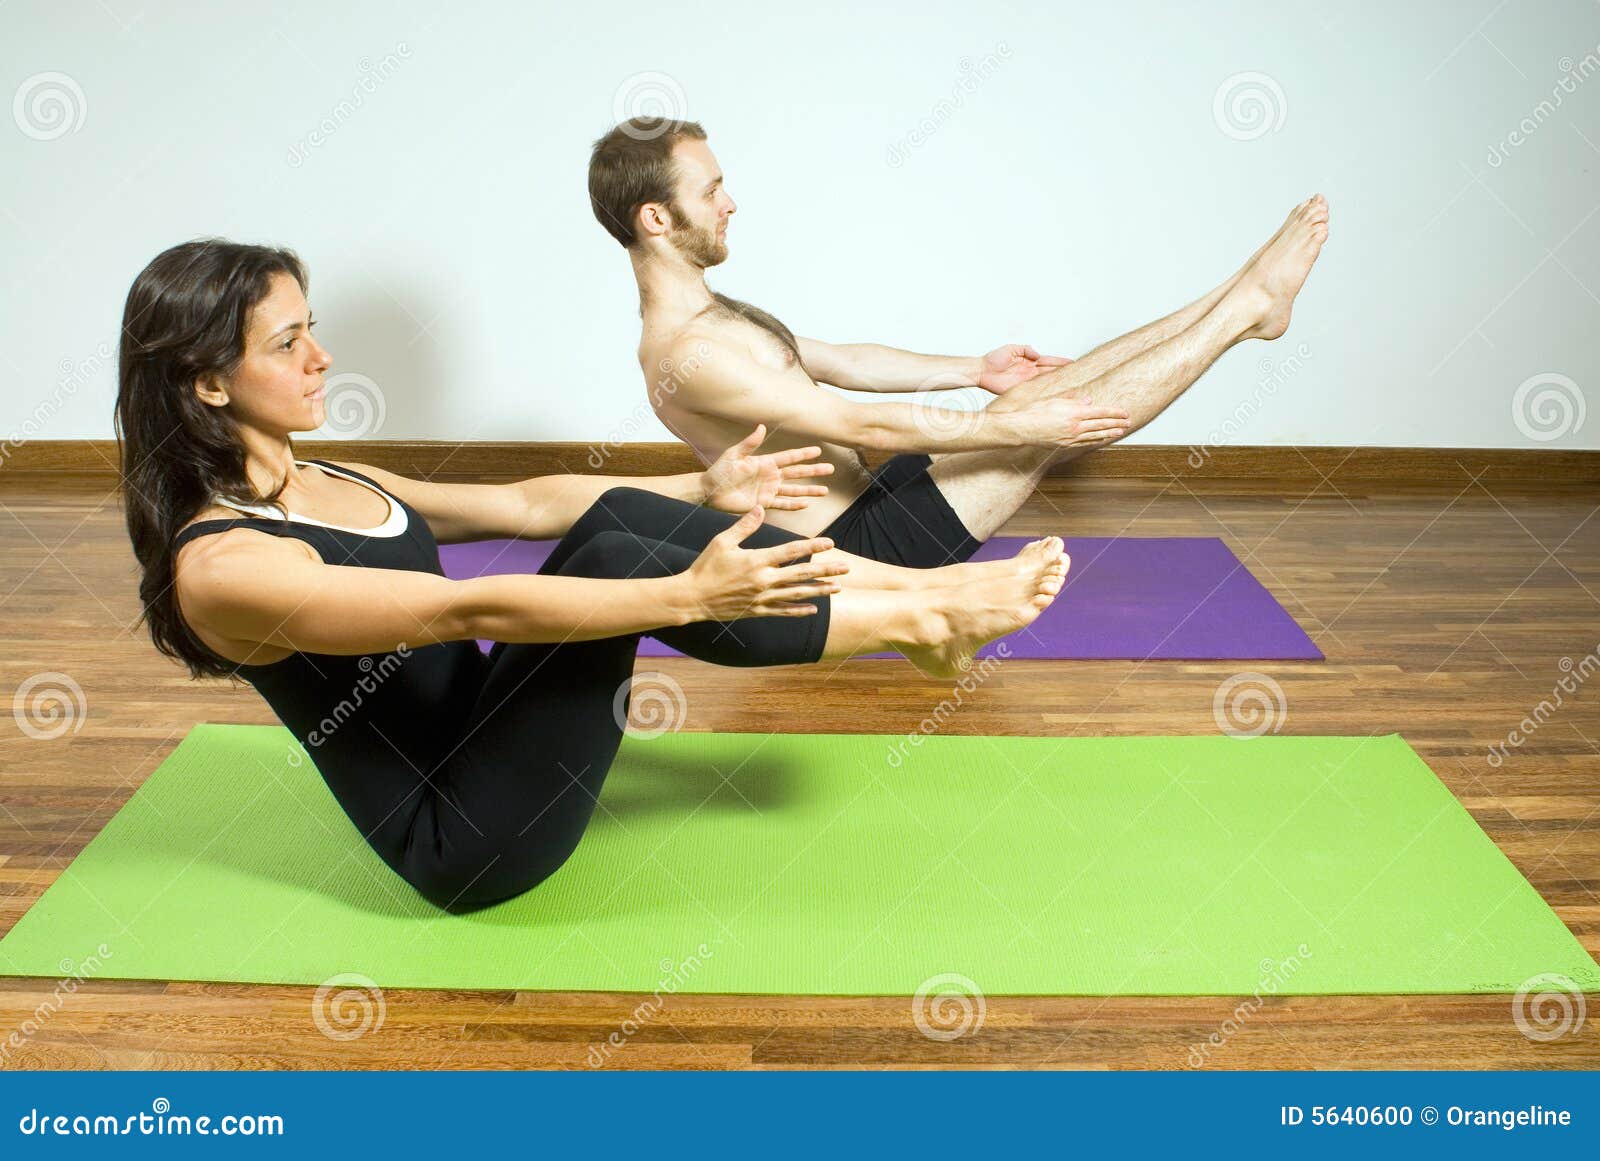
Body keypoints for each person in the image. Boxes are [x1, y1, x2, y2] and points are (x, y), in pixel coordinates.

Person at [116, 240, 1069, 911]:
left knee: (610, 521)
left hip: (491, 729)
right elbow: (465, 607)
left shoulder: (327, 480)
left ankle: (927, 601)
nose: (322, 357)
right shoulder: (223, 564)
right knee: (620, 556)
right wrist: (686, 597)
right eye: (287, 344)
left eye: (311, 328)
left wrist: (703, 482)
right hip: (466, 836)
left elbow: (530, 504)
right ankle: (919, 616)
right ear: (207, 380)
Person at [587, 118, 1329, 567]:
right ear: (656, 219)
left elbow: (845, 363)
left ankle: (1237, 294)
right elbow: (854, 422)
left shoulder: (718, 314)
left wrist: (976, 370)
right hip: (859, 549)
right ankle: (1248, 311)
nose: (730, 201)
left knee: (1039, 404)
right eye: (711, 188)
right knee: (1046, 422)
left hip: (879, 495)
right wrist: (1013, 424)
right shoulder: (687, 355)